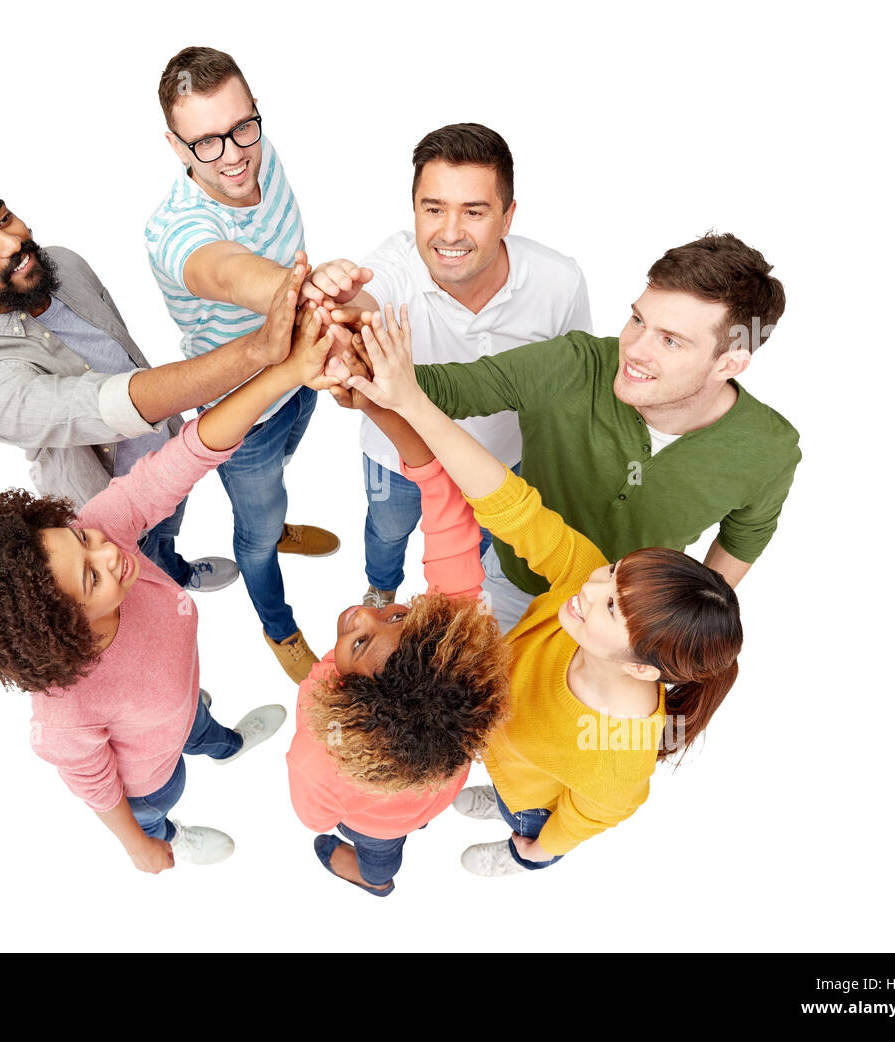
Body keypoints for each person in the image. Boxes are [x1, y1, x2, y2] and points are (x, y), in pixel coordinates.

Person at [0, 265, 338, 872]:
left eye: (86, 540)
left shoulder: (106, 527)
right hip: (149, 772)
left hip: (177, 702)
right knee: (165, 792)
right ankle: (172, 831)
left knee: (201, 722)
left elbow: (191, 451)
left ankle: (223, 744)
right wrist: (140, 844)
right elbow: (101, 791)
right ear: (62, 630)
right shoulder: (66, 714)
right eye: (92, 576)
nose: (113, 551)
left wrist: (283, 373)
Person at [341, 305, 742, 877]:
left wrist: (547, 844)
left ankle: (514, 841)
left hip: (538, 804)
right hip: (507, 758)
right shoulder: (588, 579)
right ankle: (501, 792)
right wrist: (412, 405)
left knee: (518, 813)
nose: (594, 584)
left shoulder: (614, 754)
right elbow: (512, 506)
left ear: (641, 669)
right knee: (504, 782)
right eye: (614, 574)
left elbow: (600, 812)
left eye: (610, 603)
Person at [0, 156, 286, 592]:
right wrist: (259, 349)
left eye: (3, 217)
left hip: (170, 449)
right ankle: (166, 582)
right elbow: (114, 401)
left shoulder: (62, 264)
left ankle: (178, 569)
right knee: (142, 564)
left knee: (168, 528)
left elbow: (123, 353)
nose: (11, 242)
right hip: (109, 515)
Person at [412, 232, 799, 632]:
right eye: (638, 320)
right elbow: (446, 390)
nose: (633, 349)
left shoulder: (771, 450)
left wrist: (681, 626)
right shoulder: (572, 364)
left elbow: (744, 539)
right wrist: (355, 349)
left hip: (625, 622)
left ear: (729, 365)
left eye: (669, 341)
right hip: (513, 587)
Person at [302, 123, 591, 610]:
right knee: (387, 530)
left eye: (473, 212)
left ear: (507, 217)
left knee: (475, 549)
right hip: (394, 458)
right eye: (432, 209)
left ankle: (459, 603)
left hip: (498, 464)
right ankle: (382, 587)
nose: (449, 233)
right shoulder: (395, 263)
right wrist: (339, 311)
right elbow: (365, 300)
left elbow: (574, 381)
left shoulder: (559, 282)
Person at [285, 330, 511, 894]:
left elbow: (312, 817)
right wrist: (380, 407)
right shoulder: (447, 654)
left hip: (377, 822)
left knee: (378, 851)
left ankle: (375, 880)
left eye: (359, 643)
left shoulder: (324, 738)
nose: (363, 614)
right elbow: (445, 507)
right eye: (395, 617)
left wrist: (331, 828)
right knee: (406, 824)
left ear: (353, 705)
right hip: (434, 791)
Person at [145, 45, 338, 680]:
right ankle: (278, 626)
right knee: (252, 534)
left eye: (242, 128)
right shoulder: (176, 232)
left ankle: (275, 522)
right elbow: (228, 272)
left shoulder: (261, 154)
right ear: (177, 147)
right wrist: (308, 293)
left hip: (299, 378)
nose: (233, 155)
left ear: (255, 113)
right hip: (244, 413)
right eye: (206, 143)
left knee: (277, 484)